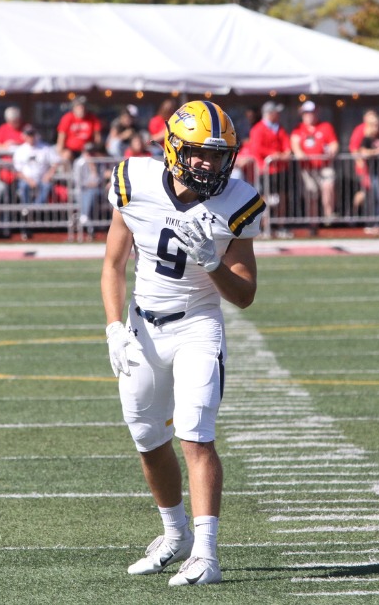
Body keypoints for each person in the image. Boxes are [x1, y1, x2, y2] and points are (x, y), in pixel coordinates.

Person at [101, 100, 264, 587]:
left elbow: (246, 296)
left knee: (196, 433)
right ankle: (175, 536)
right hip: (144, 327)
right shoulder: (134, 180)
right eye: (198, 153)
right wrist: (113, 326)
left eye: (218, 155)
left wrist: (212, 264)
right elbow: (113, 264)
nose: (209, 164)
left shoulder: (238, 200)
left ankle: (207, 555)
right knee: (148, 440)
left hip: (198, 323)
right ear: (173, 148)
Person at [244, 101, 293, 237]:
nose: (278, 114)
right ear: (269, 113)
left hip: (280, 169)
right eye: (276, 112)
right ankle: (265, 227)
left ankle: (281, 226)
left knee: (282, 197)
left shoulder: (279, 128)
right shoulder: (258, 129)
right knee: (264, 199)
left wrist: (285, 152)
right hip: (265, 170)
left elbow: (286, 144)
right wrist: (274, 154)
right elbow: (257, 148)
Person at [290, 100, 339, 233]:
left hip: (324, 166)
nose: (309, 115)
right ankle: (313, 223)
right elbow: (294, 143)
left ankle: (328, 215)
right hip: (308, 168)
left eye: (311, 112)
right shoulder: (298, 128)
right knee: (311, 194)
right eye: (306, 113)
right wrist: (299, 152)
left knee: (328, 185)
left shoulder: (325, 126)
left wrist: (332, 151)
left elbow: (334, 143)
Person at [348, 110, 379, 236]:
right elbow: (357, 150)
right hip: (369, 171)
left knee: (377, 197)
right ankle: (372, 222)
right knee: (373, 196)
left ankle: (378, 223)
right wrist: (375, 152)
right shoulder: (363, 134)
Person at [12, 124, 60, 205]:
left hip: (42, 179)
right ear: (24, 136)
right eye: (28, 135)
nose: (31, 137)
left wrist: (48, 175)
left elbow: (56, 161)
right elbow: (17, 171)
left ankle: (36, 209)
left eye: (32, 135)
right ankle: (27, 209)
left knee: (46, 186)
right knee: (23, 186)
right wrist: (29, 180)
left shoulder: (45, 147)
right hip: (26, 179)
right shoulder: (20, 150)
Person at [56, 96, 103, 167]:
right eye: (79, 107)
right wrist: (60, 152)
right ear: (74, 108)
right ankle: (67, 177)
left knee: (89, 157)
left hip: (87, 149)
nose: (82, 109)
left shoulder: (93, 118)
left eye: (83, 106)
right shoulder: (67, 118)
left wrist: (95, 148)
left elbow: (97, 138)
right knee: (66, 156)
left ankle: (94, 176)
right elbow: (61, 137)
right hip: (71, 150)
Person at [0, 105, 27, 186]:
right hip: (6, 171)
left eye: (16, 121)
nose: (14, 124)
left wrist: (18, 145)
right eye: (11, 121)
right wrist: (6, 145)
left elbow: (32, 144)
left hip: (22, 170)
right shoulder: (3, 129)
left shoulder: (26, 128)